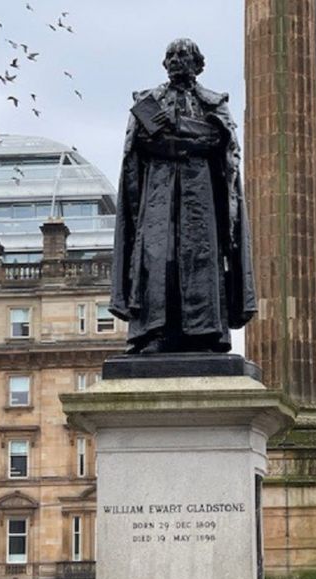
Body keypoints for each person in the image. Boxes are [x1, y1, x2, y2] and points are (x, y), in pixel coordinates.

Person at [110, 38, 256, 354]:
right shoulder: (148, 100)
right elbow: (143, 142)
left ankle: (202, 335)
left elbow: (218, 138)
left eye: (183, 55)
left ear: (197, 64)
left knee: (200, 259)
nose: (175, 60)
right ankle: (155, 332)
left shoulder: (213, 102)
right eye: (170, 55)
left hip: (200, 196)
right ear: (164, 63)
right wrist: (189, 138)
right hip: (158, 194)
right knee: (158, 260)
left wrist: (175, 134)